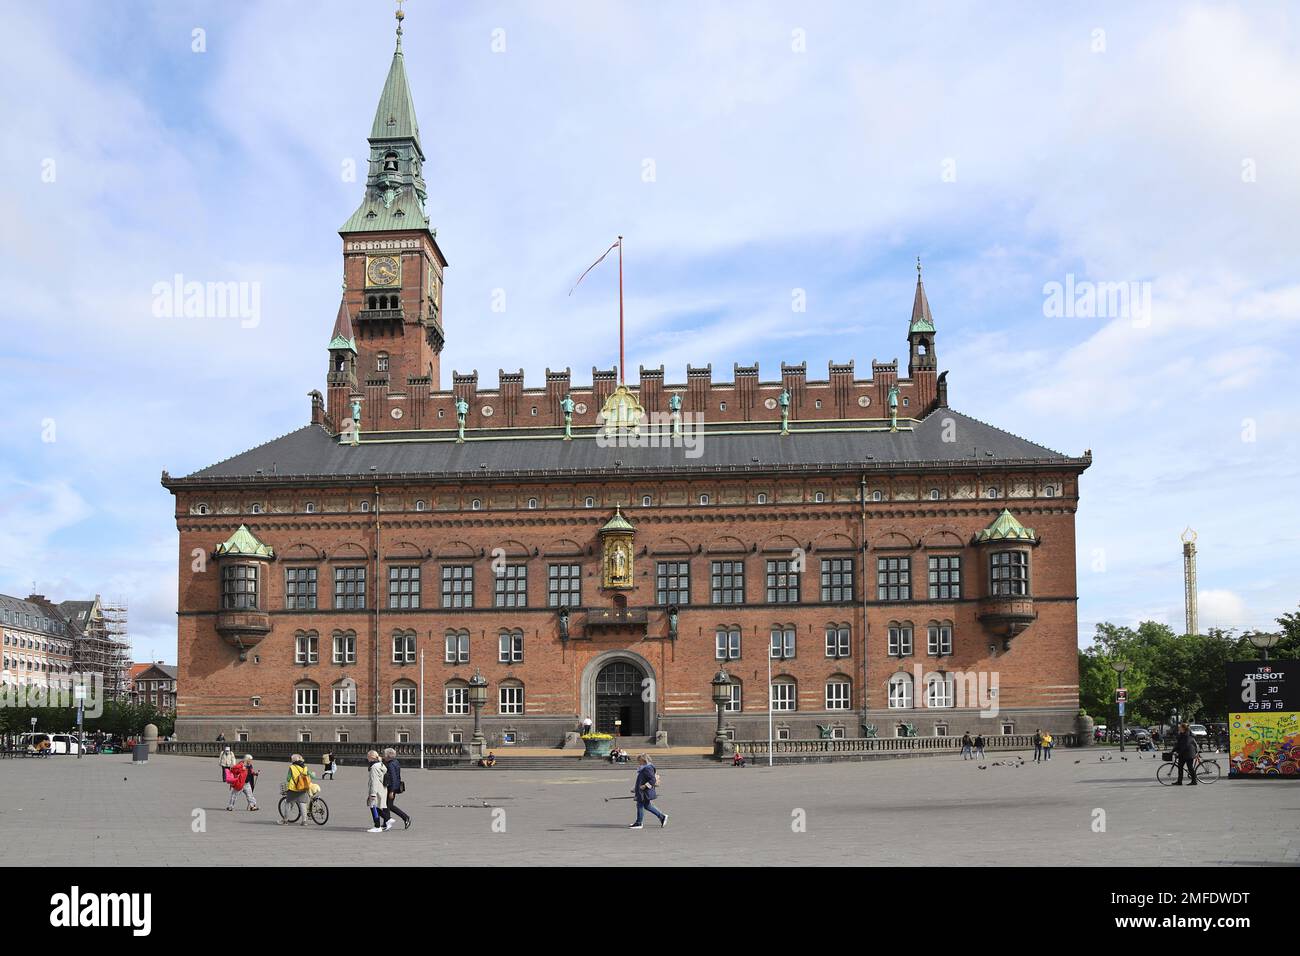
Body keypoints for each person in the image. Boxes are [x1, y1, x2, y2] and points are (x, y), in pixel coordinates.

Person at [629, 753, 667, 829]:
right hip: (642, 791)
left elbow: (652, 779)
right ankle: (662, 817)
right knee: (647, 806)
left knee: (640, 805)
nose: (638, 762)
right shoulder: (644, 768)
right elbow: (641, 780)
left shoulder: (647, 768)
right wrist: (635, 788)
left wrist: (645, 786)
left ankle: (639, 823)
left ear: (643, 760)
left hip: (644, 792)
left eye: (639, 760)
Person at [280, 753, 314, 826]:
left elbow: (288, 778)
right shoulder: (305, 767)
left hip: (293, 788)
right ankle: (304, 821)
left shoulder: (292, 767)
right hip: (303, 787)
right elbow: (310, 775)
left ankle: (285, 820)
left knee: (288, 803)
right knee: (302, 804)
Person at [382, 748, 411, 830]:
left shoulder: (391, 765)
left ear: (388, 756)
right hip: (392, 787)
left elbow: (394, 778)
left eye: (384, 754)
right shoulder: (395, 762)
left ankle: (405, 817)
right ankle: (386, 823)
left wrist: (392, 791)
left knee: (388, 805)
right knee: (387, 805)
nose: (383, 755)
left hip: (391, 787)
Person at [365, 750, 389, 832]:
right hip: (381, 789)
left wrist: (372, 793)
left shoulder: (374, 767)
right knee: (376, 807)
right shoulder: (381, 764)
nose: (367, 759)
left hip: (375, 790)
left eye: (368, 757)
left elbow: (374, 781)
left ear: (371, 757)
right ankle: (387, 819)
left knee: (373, 807)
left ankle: (377, 826)